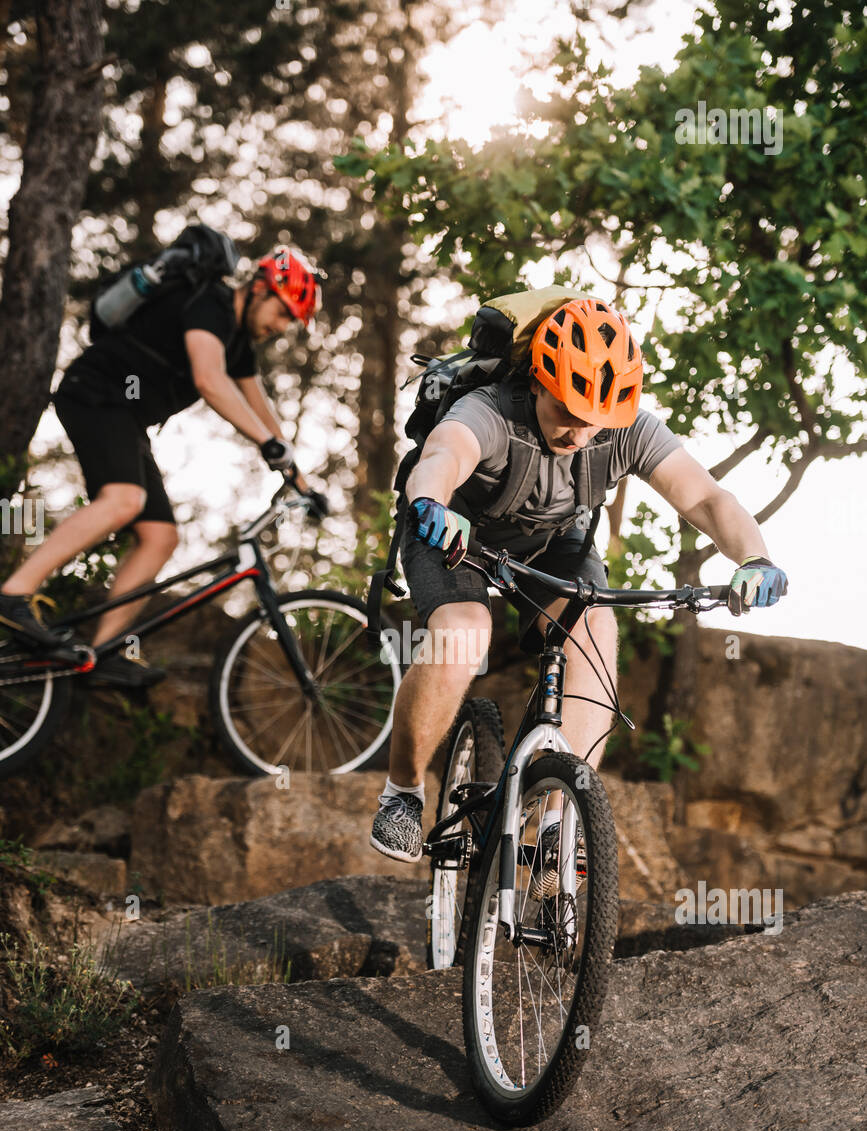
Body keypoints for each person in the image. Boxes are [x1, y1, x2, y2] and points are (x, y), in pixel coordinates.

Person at [370, 295, 787, 863]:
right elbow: (442, 455)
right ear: (539, 382)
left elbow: (708, 498)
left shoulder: (625, 429)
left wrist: (754, 557)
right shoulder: (490, 413)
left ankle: (554, 832)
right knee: (465, 632)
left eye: (598, 420)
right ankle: (403, 791)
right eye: (568, 411)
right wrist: (431, 503)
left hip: (555, 540)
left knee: (594, 631)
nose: (581, 432)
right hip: (451, 526)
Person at [0, 245, 328, 686]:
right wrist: (268, 444)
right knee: (124, 500)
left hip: (127, 418)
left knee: (160, 536)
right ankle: (14, 595)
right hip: (95, 393)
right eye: (284, 312)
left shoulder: (239, 344)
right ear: (258, 288)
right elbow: (209, 380)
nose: (283, 326)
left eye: (292, 321)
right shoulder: (210, 303)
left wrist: (300, 479)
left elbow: (261, 408)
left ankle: (103, 653)